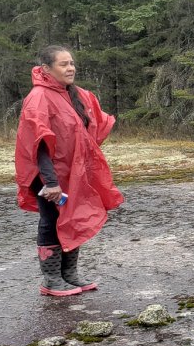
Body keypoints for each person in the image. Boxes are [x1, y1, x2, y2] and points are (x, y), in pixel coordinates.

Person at [14, 45, 122, 297]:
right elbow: (38, 143)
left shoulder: (74, 94)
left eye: (72, 63)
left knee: (73, 217)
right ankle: (51, 280)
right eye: (63, 64)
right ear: (46, 68)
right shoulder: (39, 97)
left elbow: (91, 126)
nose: (71, 68)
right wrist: (50, 182)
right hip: (46, 174)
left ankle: (69, 275)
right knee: (51, 220)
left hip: (71, 172)